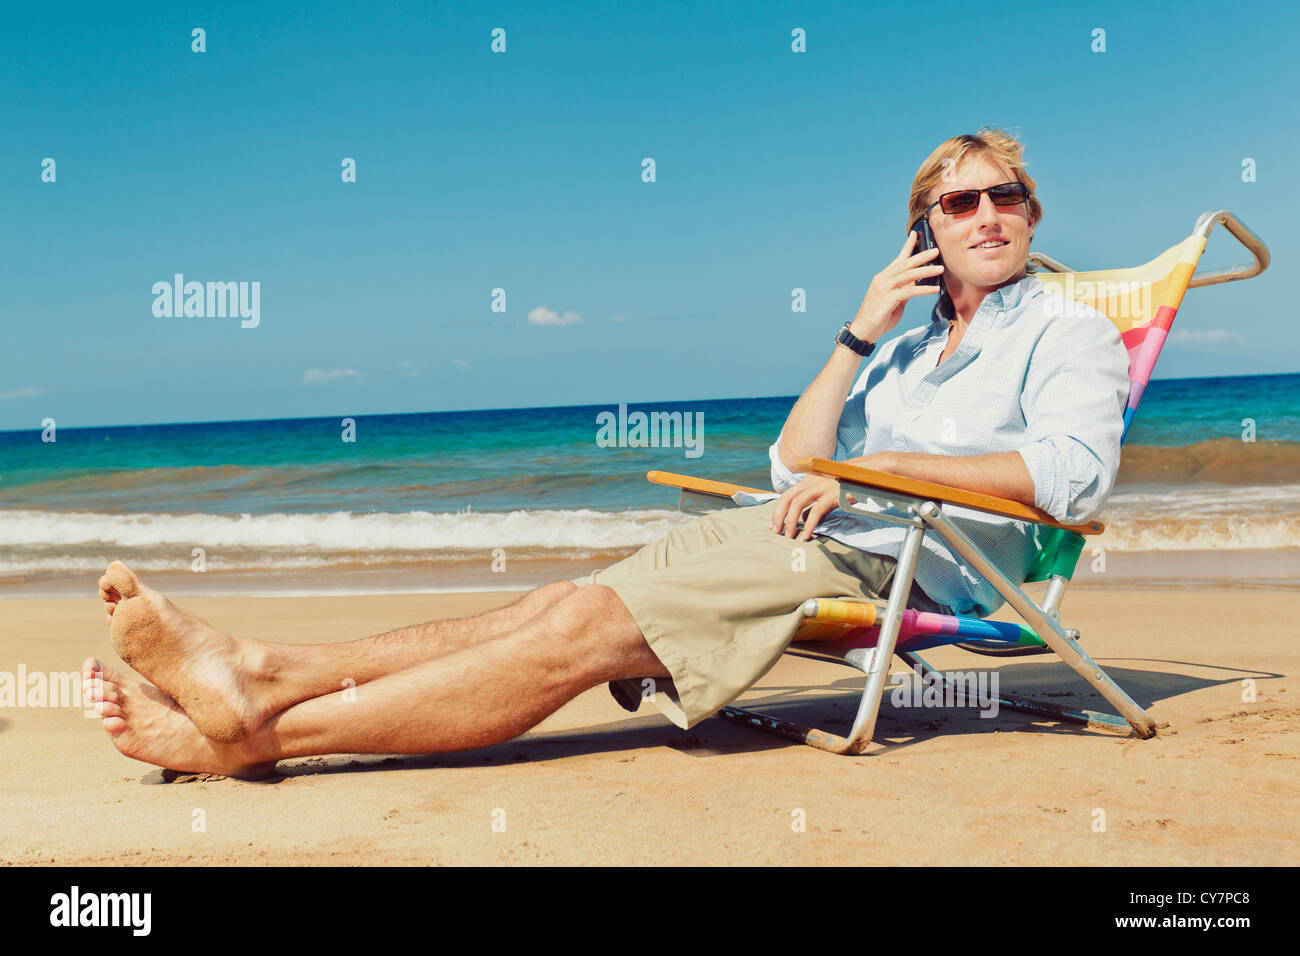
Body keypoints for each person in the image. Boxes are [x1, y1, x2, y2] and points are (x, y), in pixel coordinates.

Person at [84, 128, 1129, 778]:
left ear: (1031, 215)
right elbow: (788, 462)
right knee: (555, 601)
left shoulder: (1066, 331)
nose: (989, 215)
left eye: (1007, 198)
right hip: (817, 528)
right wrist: (858, 330)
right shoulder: (897, 351)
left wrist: (871, 476)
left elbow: (1069, 479)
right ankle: (263, 671)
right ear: (923, 233)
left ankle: (251, 734)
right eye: (962, 202)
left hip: (908, 559)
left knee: (584, 629)